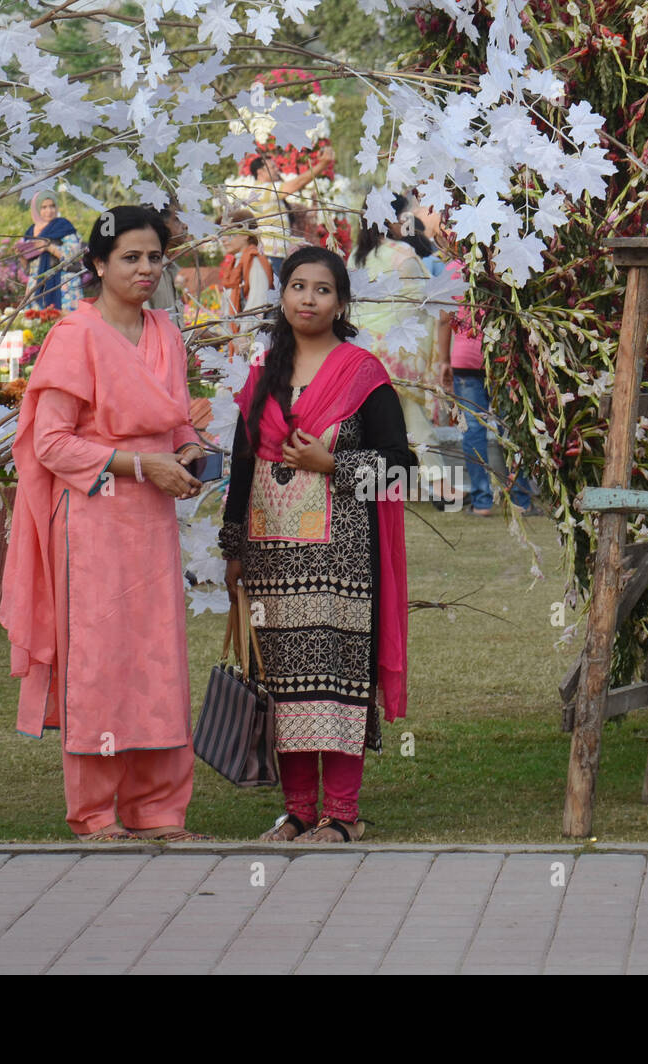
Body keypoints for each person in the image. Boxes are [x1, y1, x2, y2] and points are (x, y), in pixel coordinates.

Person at [0, 205, 210, 842]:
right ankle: (95, 812)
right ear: (97, 265)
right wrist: (142, 465)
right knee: (101, 660)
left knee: (157, 660)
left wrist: (190, 448)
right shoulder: (75, 335)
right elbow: (52, 444)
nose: (146, 269)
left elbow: (174, 420)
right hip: (91, 523)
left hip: (151, 522)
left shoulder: (166, 332)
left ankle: (159, 810)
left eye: (154, 257)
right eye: (130, 257)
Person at [220, 246, 412, 843]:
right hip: (272, 555)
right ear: (281, 297)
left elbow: (402, 470)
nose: (307, 298)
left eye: (321, 289)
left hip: (342, 560)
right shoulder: (262, 376)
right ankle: (299, 810)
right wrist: (232, 550)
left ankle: (342, 815)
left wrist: (334, 463)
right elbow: (243, 465)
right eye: (297, 286)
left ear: (341, 301)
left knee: (336, 680)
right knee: (285, 683)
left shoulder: (362, 374)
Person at [349, 193, 462, 505]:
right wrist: (436, 357)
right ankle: (439, 486)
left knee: (379, 423)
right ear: (391, 220)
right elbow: (426, 307)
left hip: (362, 353)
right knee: (413, 419)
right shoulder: (403, 256)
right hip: (396, 354)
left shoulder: (355, 257)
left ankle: (381, 486)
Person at [440, 258, 534, 516]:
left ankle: (482, 501)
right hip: (503, 357)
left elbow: (444, 318)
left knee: (473, 431)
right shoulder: (505, 260)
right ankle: (521, 498)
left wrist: (444, 360)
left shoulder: (454, 268)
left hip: (465, 358)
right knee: (512, 428)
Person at [233, 148, 335, 274]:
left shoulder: (267, 191)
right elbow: (297, 183)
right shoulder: (261, 190)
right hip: (269, 255)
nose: (277, 170)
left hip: (275, 255)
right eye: (272, 167)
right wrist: (322, 164)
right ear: (260, 172)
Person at [21, 192, 81, 312]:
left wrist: (49, 247)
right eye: (44, 207)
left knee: (65, 324)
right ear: (37, 209)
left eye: (52, 206)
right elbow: (27, 267)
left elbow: (74, 254)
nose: (49, 210)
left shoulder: (63, 226)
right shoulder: (31, 231)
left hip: (63, 286)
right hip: (37, 285)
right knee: (37, 323)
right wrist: (21, 254)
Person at [218, 208, 274, 322]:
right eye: (222, 233)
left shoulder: (255, 262)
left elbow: (257, 303)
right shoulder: (235, 264)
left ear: (246, 235)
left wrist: (244, 335)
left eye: (229, 232)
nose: (223, 239)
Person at [146, 201, 187, 323]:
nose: (185, 226)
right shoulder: (147, 271)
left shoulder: (169, 268)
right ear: (161, 226)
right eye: (177, 220)